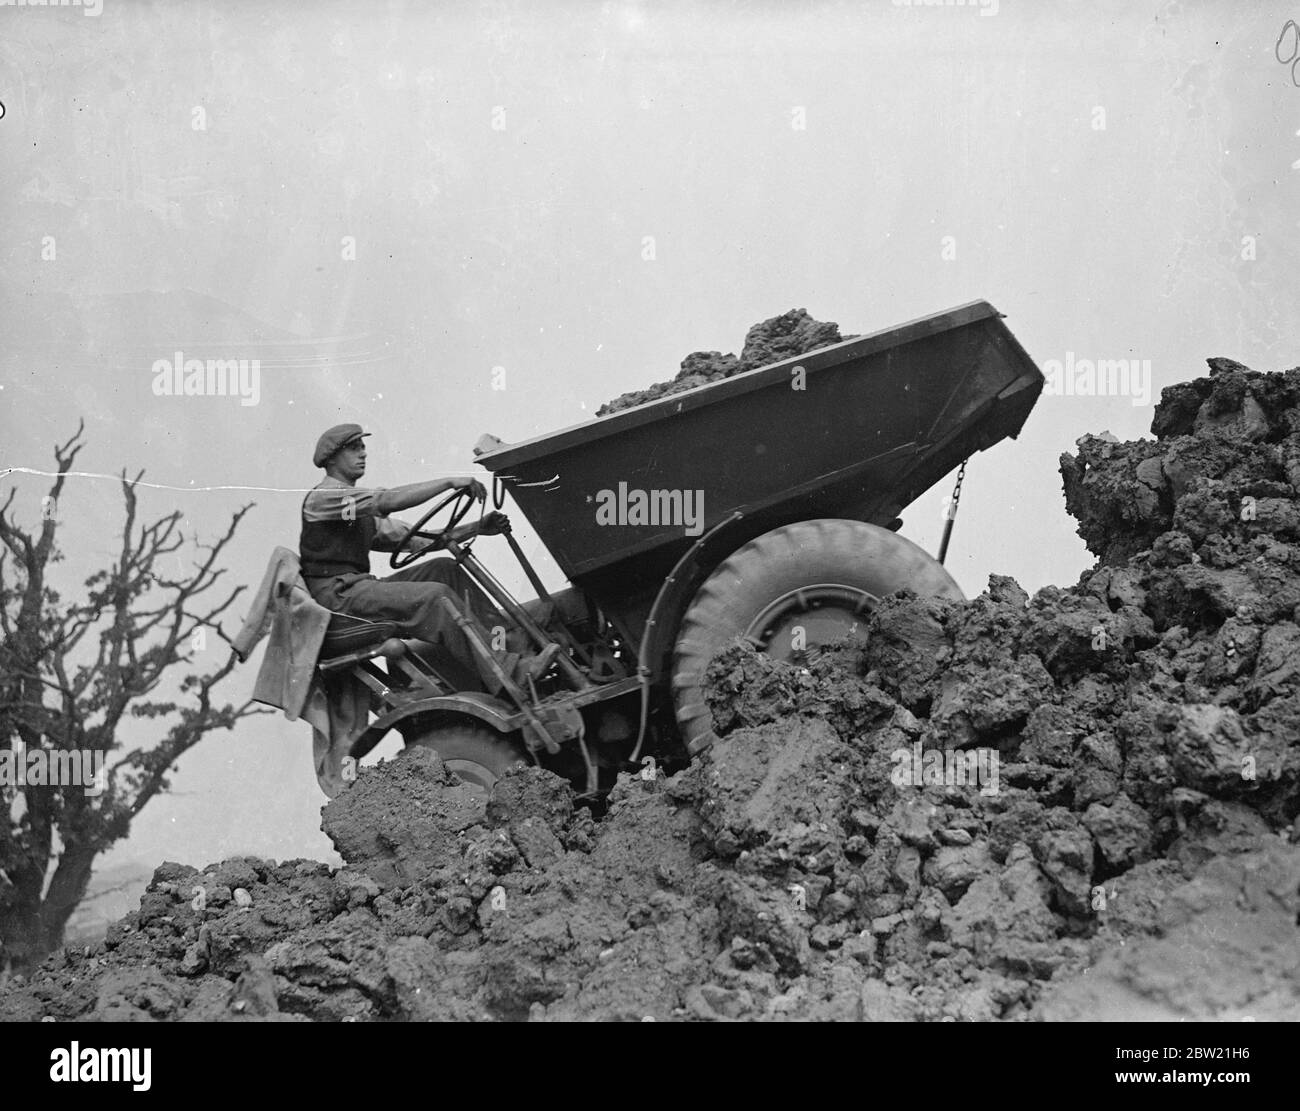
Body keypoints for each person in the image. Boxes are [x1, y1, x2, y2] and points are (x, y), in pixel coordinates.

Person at [299, 423, 550, 693]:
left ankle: (509, 647)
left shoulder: (361, 511)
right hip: (337, 600)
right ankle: (512, 674)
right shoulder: (325, 497)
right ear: (332, 458)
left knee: (444, 569)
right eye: (353, 449)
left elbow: (417, 539)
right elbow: (386, 500)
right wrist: (447, 482)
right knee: (434, 597)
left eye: (363, 447)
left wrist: (478, 527)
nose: (363, 454)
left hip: (357, 590)